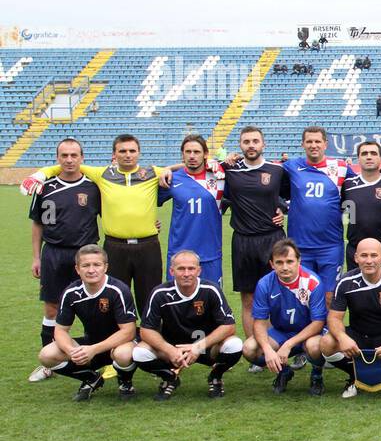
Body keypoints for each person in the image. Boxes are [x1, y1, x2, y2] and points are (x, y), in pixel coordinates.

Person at [24, 133, 167, 314]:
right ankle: (114, 339)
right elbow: (67, 166)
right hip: (111, 247)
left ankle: (149, 340)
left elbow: (181, 169)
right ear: (114, 155)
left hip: (145, 246)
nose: (128, 154)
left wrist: (168, 170)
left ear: (139, 153)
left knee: (149, 300)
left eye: (132, 151)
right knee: (112, 298)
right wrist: (41, 173)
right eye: (122, 151)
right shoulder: (102, 175)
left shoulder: (152, 173)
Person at [28, 138, 101, 382]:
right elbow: (37, 223)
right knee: (51, 307)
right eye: (64, 156)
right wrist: (36, 257)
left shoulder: (94, 187)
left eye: (74, 155)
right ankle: (49, 362)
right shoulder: (44, 186)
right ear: (57, 158)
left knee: (94, 308)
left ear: (82, 158)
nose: (69, 160)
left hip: (87, 254)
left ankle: (97, 356)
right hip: (54, 254)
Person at [133, 250, 242, 401]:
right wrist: (169, 350)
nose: (186, 273)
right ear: (172, 271)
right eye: (181, 269)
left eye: (191, 268)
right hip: (173, 350)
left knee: (235, 344)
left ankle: (215, 377)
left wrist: (197, 347)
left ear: (199, 270)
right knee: (139, 353)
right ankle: (169, 377)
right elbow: (146, 330)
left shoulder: (211, 290)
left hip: (206, 347)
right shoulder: (160, 293)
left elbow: (229, 326)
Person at [37, 244, 138, 401]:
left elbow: (128, 331)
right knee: (47, 355)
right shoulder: (71, 293)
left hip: (119, 344)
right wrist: (71, 351)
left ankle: (125, 382)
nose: (91, 270)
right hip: (91, 344)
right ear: (78, 269)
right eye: (86, 265)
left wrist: (94, 349)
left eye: (96, 265)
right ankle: (91, 378)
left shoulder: (118, 290)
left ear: (105, 267)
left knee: (123, 354)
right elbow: (60, 330)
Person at [321, 238, 381, 398]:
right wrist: (342, 337)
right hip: (359, 335)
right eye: (364, 255)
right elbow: (334, 318)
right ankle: (356, 376)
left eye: (374, 255)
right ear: (356, 258)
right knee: (326, 343)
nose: (369, 260)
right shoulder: (346, 282)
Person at [221, 125, 288, 354]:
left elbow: (291, 195)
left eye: (255, 141)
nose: (251, 145)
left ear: (263, 144)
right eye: (246, 141)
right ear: (240, 145)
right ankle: (256, 350)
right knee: (249, 299)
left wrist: (281, 208)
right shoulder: (230, 172)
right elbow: (202, 169)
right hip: (243, 242)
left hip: (273, 240)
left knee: (282, 296)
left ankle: (290, 345)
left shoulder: (277, 171)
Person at [279, 125, 356, 301]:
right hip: (300, 245)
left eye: (317, 141)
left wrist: (353, 215)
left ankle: (328, 330)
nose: (314, 145)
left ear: (325, 144)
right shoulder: (291, 166)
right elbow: (269, 186)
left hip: (330, 246)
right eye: (309, 142)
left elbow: (359, 189)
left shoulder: (341, 167)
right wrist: (278, 206)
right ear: (302, 144)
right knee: (303, 295)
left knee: (330, 296)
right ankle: (310, 329)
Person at [244, 238, 327, 395]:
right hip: (280, 332)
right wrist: (268, 349)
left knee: (315, 347)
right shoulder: (264, 284)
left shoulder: (312, 282)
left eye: (290, 261)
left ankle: (317, 375)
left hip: (309, 333)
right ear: (272, 264)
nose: (285, 267)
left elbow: (318, 322)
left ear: (298, 261)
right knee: (249, 349)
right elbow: (259, 322)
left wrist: (289, 345)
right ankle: (283, 371)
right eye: (279, 262)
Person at [159, 134, 226, 286]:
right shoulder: (171, 179)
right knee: (178, 305)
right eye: (188, 152)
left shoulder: (219, 177)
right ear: (182, 154)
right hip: (179, 255)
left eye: (196, 152)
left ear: (205, 155)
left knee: (211, 304)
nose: (192, 156)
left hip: (210, 255)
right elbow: (148, 201)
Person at [342, 140, 381, 270]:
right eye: (364, 153)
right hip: (356, 250)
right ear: (358, 158)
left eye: (373, 153)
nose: (369, 156)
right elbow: (343, 211)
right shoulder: (348, 185)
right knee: (356, 288)